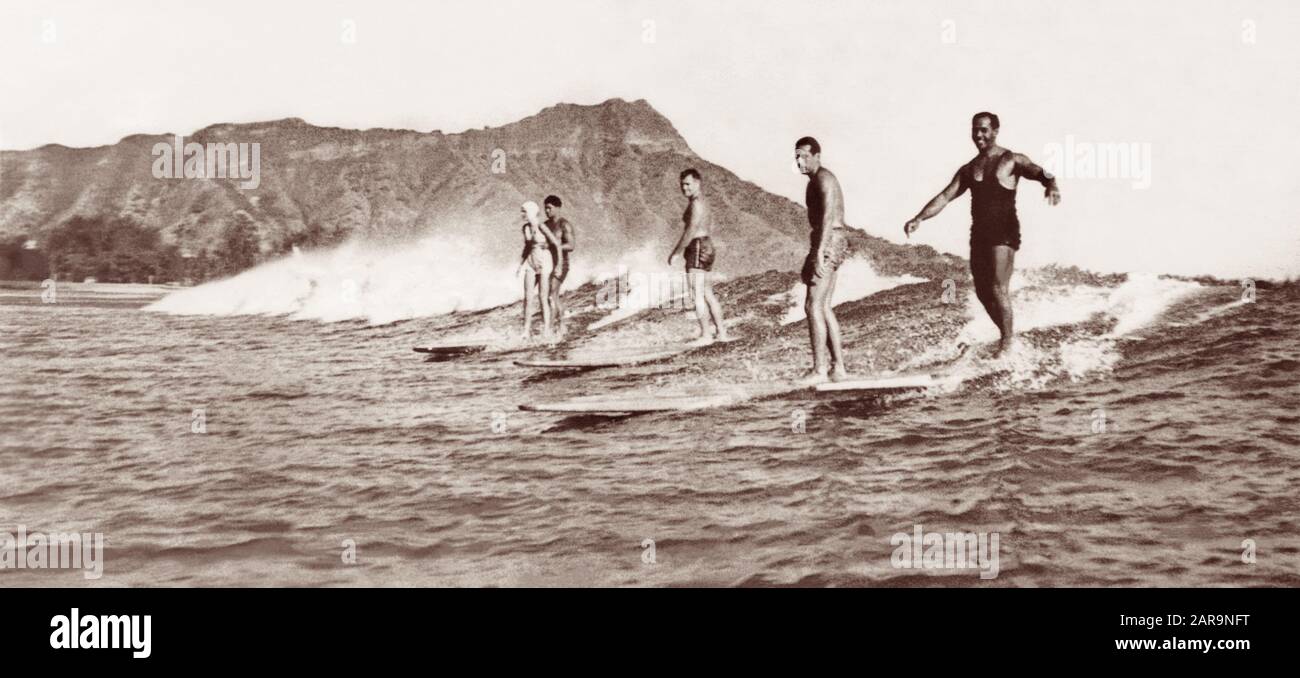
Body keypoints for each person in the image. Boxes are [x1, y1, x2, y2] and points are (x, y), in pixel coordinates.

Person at [903, 112, 1061, 355]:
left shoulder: (1011, 159)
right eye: (975, 130)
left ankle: (1007, 345)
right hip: (979, 233)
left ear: (995, 131)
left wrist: (1051, 184)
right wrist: (919, 218)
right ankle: (1007, 336)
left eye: (984, 130)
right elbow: (945, 196)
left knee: (998, 288)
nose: (979, 135)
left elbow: (1040, 172)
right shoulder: (969, 168)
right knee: (982, 291)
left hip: (1004, 230)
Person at [794, 137, 850, 382]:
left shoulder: (823, 178)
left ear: (817, 155)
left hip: (829, 241)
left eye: (804, 156)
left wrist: (819, 251)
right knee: (823, 306)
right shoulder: (815, 180)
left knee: (812, 305)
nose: (799, 161)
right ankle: (838, 369)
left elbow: (827, 216)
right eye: (796, 156)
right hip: (832, 241)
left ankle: (819, 370)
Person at [668, 169, 728, 344]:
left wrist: (676, 252)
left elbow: (691, 230)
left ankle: (706, 335)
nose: (684, 188)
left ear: (697, 183)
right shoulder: (703, 202)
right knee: (707, 292)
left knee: (697, 293)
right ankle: (721, 333)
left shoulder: (696, 203)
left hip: (698, 246)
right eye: (682, 184)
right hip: (705, 245)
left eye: (687, 184)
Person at [515, 200, 559, 339]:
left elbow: (556, 244)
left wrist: (558, 265)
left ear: (531, 212)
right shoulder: (525, 228)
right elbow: (527, 247)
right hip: (531, 262)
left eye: (524, 211)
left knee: (542, 297)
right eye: (522, 211)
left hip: (545, 262)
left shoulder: (541, 226)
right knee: (528, 298)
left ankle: (546, 330)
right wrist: (520, 264)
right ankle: (526, 331)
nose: (522, 214)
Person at [542, 195, 575, 335]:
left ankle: (556, 327)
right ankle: (557, 326)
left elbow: (571, 245)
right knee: (548, 296)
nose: (547, 211)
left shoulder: (564, 224)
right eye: (545, 208)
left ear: (557, 208)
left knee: (552, 295)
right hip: (547, 265)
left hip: (562, 265)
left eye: (549, 208)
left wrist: (553, 246)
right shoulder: (545, 225)